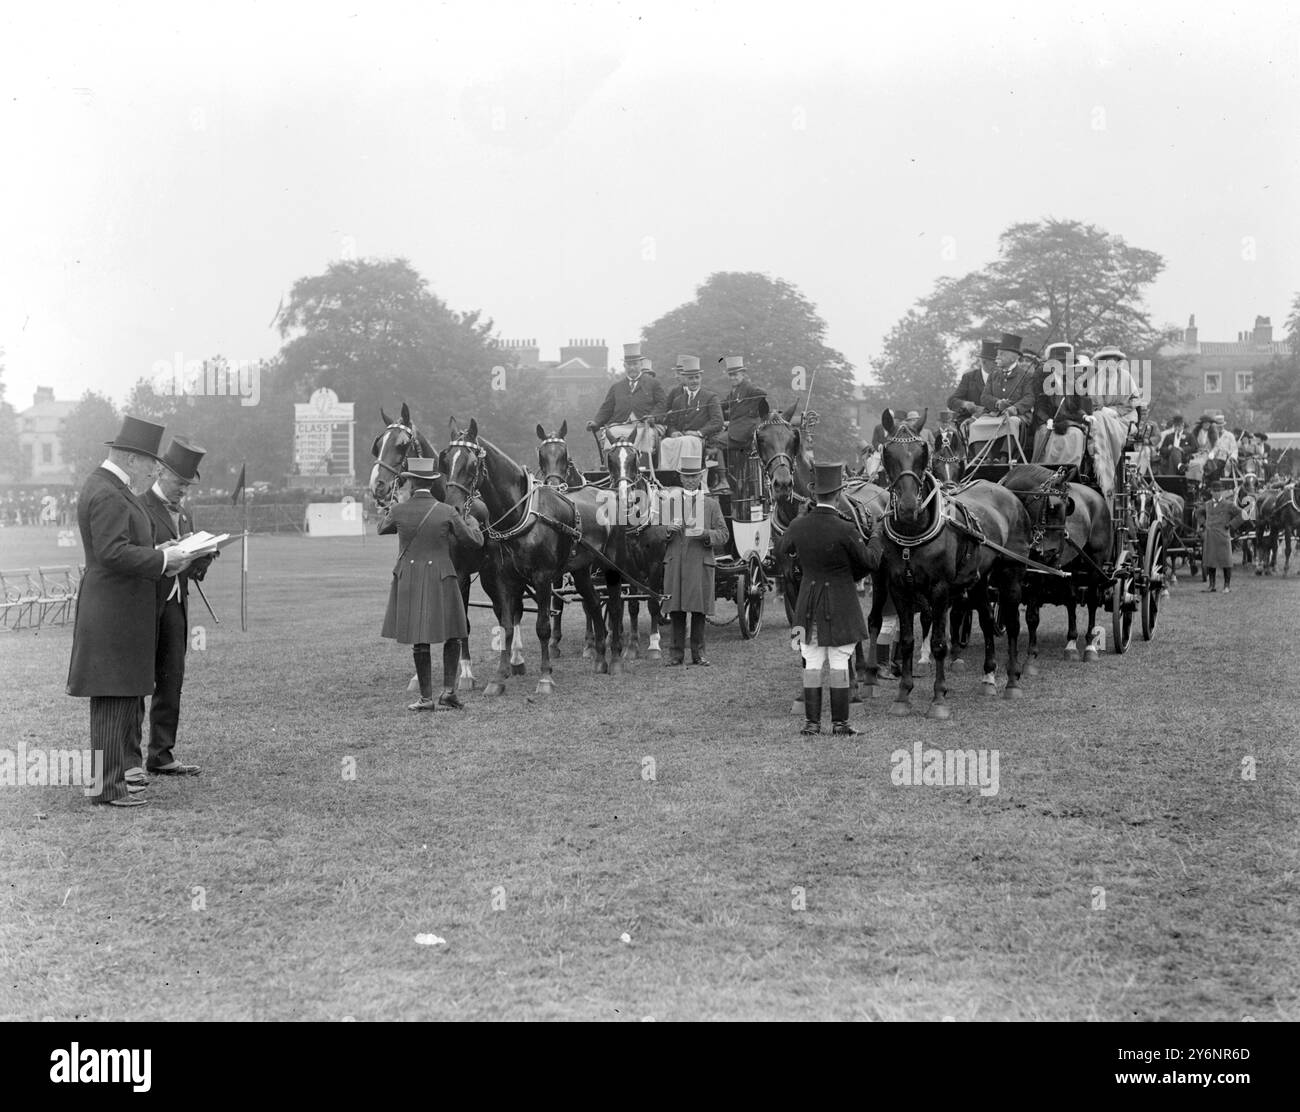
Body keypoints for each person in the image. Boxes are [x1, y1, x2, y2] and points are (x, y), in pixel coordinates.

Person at [66, 416, 194, 808]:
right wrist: (163, 559)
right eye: (150, 460)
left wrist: (166, 555)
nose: (155, 468)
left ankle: (116, 777)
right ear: (131, 457)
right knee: (111, 697)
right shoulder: (107, 492)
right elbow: (111, 552)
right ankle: (107, 787)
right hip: (113, 613)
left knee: (120, 697)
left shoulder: (112, 488)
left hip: (120, 612)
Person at [134, 435, 214, 783]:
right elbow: (138, 556)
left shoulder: (186, 513)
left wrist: (202, 556)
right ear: (161, 472)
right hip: (145, 604)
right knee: (139, 681)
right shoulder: (138, 505)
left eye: (187, 483)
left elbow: (191, 570)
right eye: (179, 481)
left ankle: (161, 755)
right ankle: (128, 758)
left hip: (176, 605)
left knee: (172, 680)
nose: (183, 489)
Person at [379, 457, 484, 710]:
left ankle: (426, 698)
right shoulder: (446, 511)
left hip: (410, 577)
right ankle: (448, 692)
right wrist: (474, 524)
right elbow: (474, 541)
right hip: (442, 576)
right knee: (454, 634)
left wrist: (390, 507)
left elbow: (383, 528)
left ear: (411, 482)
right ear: (432, 481)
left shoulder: (399, 510)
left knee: (419, 639)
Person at [776, 462, 871, 736]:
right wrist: (875, 536)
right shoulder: (846, 528)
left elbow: (782, 549)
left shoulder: (798, 525)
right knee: (840, 661)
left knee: (812, 659)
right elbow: (869, 563)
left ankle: (812, 724)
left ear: (813, 493)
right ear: (839, 493)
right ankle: (840, 724)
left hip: (807, 601)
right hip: (841, 600)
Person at [661, 445, 729, 666]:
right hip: (676, 564)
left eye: (694, 476)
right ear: (680, 478)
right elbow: (656, 533)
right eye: (686, 477)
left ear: (701, 476)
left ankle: (699, 654)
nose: (690, 480)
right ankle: (675, 654)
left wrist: (706, 534)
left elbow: (724, 534)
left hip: (700, 564)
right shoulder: (669, 504)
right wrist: (667, 530)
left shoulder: (711, 505)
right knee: (677, 610)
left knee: (699, 612)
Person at [588, 343, 668, 469]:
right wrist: (596, 422)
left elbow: (662, 404)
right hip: (620, 425)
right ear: (624, 365)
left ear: (641, 365)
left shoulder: (653, 384)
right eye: (629, 364)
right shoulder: (616, 387)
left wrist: (653, 416)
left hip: (643, 426)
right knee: (611, 434)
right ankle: (613, 472)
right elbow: (606, 408)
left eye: (635, 364)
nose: (632, 368)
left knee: (646, 436)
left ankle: (643, 470)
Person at [975, 333, 1035, 461]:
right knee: (976, 424)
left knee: (1012, 422)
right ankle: (984, 458)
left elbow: (1029, 398)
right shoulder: (993, 375)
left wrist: (1015, 408)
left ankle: (1004, 456)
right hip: (995, 414)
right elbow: (984, 397)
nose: (997, 357)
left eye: (1002, 354)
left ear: (1014, 357)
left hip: (1018, 415)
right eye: (998, 353)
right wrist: (997, 403)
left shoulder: (1026, 376)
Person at [660, 356, 724, 474]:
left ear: (701, 378)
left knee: (686, 441)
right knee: (665, 443)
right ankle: (667, 477)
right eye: (691, 378)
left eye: (697, 377)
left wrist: (698, 432)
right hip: (682, 437)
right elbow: (671, 423)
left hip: (702, 438)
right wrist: (673, 432)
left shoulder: (710, 397)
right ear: (685, 379)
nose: (694, 381)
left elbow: (718, 421)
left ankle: (684, 476)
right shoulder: (678, 400)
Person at [719, 355, 766, 496]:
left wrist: (751, 412)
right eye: (731, 375)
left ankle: (723, 480)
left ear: (743, 374)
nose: (733, 377)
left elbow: (762, 394)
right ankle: (727, 478)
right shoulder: (735, 391)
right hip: (737, 429)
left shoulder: (747, 387)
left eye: (736, 375)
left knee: (716, 442)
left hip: (744, 432)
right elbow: (723, 404)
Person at [1201, 480, 1243, 593]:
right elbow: (1198, 512)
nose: (1217, 493)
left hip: (1223, 536)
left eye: (1219, 491)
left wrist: (1231, 525)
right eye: (1214, 491)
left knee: (1226, 561)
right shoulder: (1207, 504)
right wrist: (1203, 523)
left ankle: (1227, 586)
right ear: (1211, 492)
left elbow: (1242, 514)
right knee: (1210, 561)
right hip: (1210, 536)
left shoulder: (1228, 504)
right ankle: (1212, 585)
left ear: (1222, 492)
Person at [948, 339, 997, 427]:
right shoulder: (969, 378)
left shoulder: (1004, 378)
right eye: (995, 362)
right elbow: (952, 401)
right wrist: (965, 404)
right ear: (984, 362)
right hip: (970, 423)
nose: (999, 366)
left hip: (996, 423)